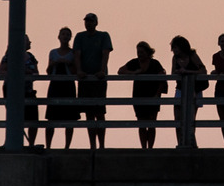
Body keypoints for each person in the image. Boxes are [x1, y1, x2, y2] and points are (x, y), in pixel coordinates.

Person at [73, 13, 113, 150]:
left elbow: (105, 53)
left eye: (91, 21)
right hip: (85, 79)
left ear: (96, 23)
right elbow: (77, 54)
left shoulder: (103, 36)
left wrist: (102, 70)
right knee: (88, 114)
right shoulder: (79, 37)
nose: (88, 23)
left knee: (100, 113)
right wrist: (78, 70)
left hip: (98, 79)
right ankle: (92, 145)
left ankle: (101, 145)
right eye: (86, 21)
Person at [118, 41, 166, 149]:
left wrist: (157, 95)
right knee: (141, 124)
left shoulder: (155, 63)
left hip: (153, 96)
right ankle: (143, 147)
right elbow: (120, 71)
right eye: (138, 52)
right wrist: (134, 73)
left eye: (142, 52)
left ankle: (150, 148)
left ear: (148, 52)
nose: (139, 54)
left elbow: (162, 79)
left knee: (152, 124)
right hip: (138, 95)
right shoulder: (134, 63)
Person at [0, 35, 41, 146]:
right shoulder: (9, 56)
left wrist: (25, 71)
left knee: (33, 119)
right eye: (27, 40)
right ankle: (12, 142)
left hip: (28, 91)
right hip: (13, 92)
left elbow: (36, 73)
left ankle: (31, 144)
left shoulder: (31, 57)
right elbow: (1, 71)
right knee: (14, 117)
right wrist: (18, 72)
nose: (30, 42)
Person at [169, 36, 207, 148]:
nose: (174, 50)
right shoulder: (175, 58)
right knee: (177, 117)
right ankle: (180, 142)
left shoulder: (192, 56)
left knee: (190, 118)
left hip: (194, 88)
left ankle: (191, 142)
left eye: (176, 47)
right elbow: (173, 73)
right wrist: (179, 72)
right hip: (180, 88)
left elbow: (203, 70)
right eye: (173, 48)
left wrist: (187, 71)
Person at [46, 28, 79, 150]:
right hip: (55, 84)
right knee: (51, 118)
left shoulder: (73, 53)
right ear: (58, 36)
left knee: (70, 118)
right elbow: (48, 71)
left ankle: (67, 146)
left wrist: (68, 63)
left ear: (70, 38)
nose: (65, 36)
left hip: (68, 85)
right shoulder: (53, 52)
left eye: (67, 35)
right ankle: (48, 146)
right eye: (63, 34)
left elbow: (76, 71)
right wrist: (53, 64)